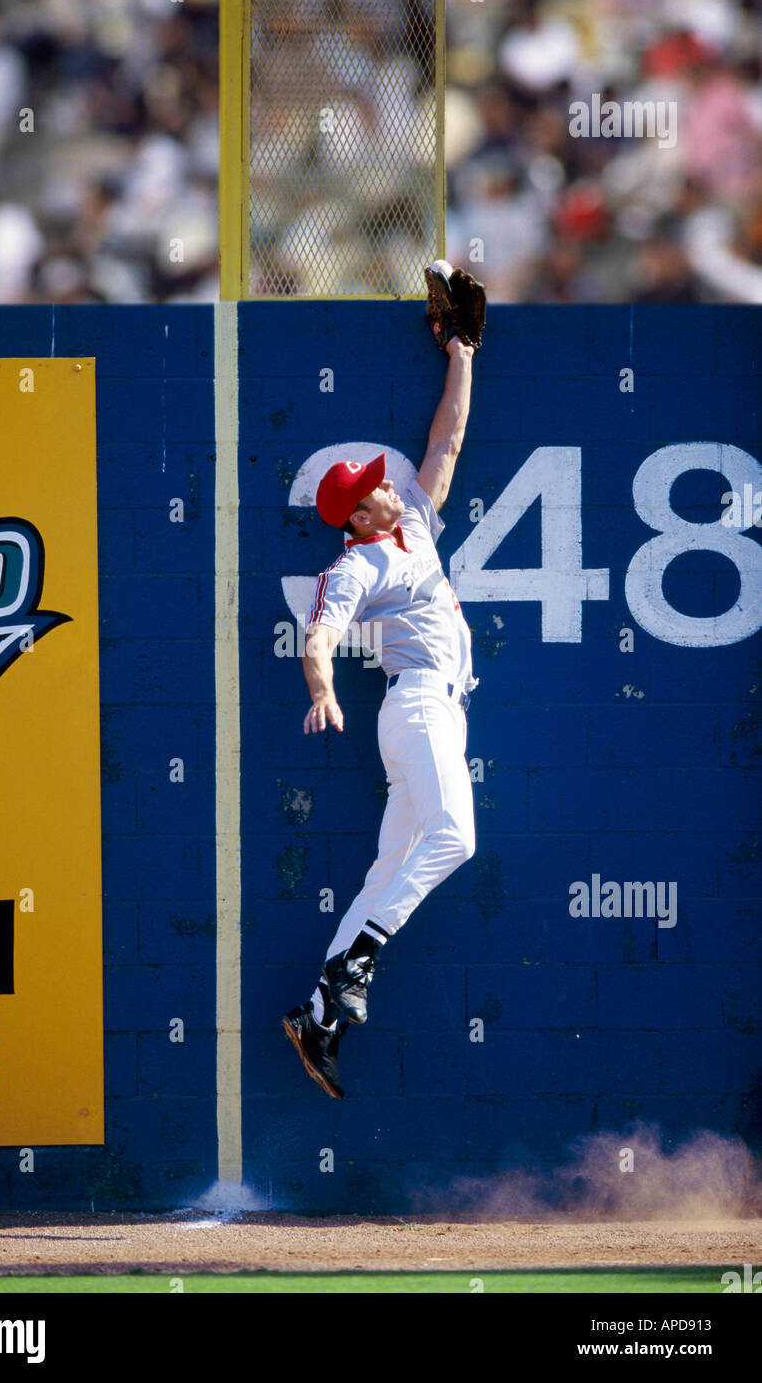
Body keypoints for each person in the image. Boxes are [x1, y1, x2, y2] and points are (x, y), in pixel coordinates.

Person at [282, 294, 478, 1099]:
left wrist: (461, 353)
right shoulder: (360, 564)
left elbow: (446, 440)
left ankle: (318, 1017)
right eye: (375, 486)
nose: (392, 482)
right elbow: (320, 635)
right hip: (417, 709)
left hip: (436, 716)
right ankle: (352, 962)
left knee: (390, 865)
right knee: (456, 840)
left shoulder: (416, 527)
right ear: (360, 514)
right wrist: (324, 689)